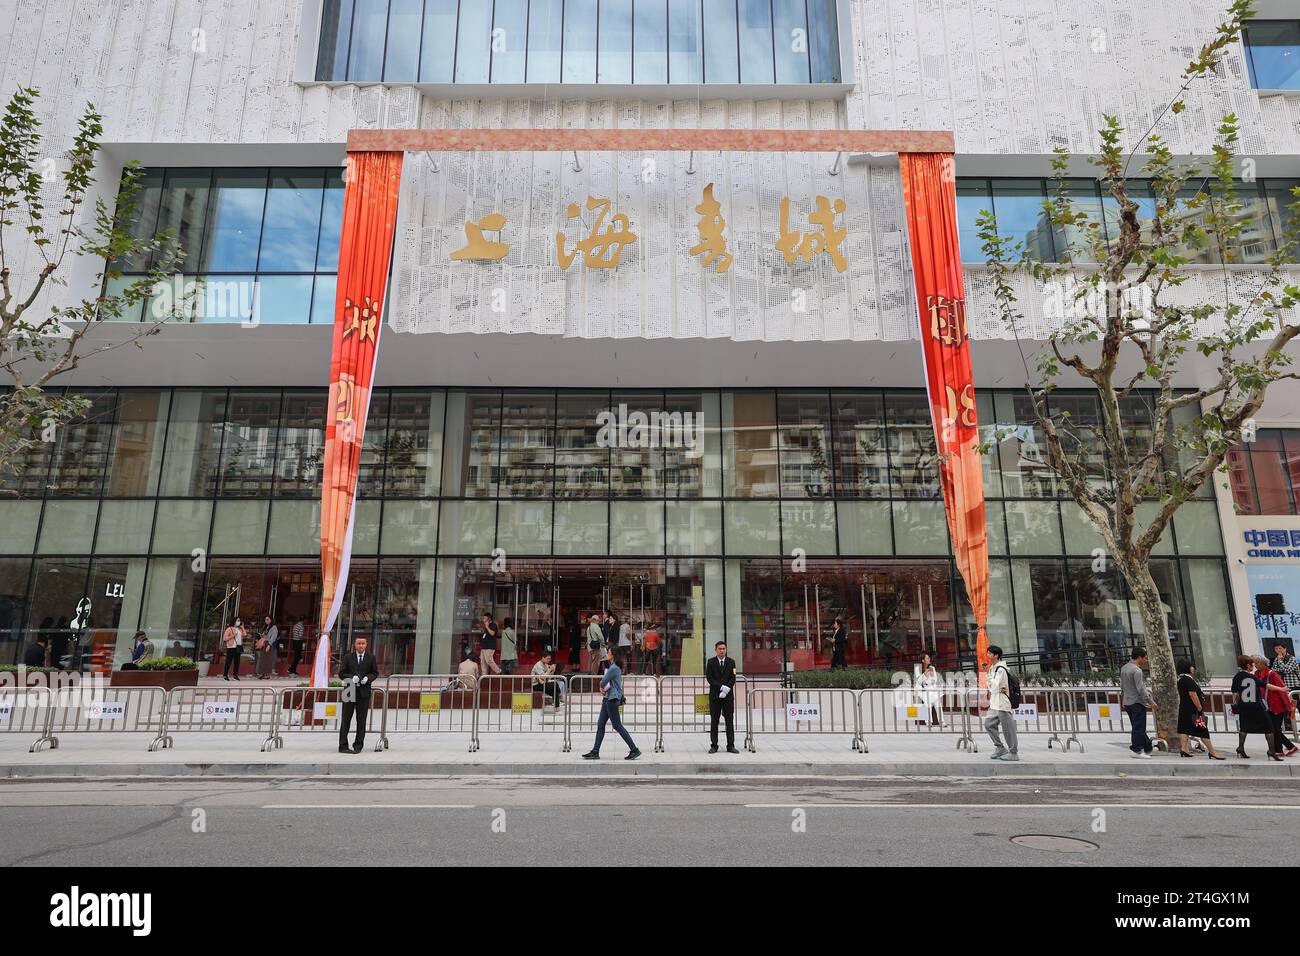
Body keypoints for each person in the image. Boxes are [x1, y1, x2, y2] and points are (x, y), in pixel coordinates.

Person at [581, 651, 641, 761]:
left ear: (613, 654)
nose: (607, 654)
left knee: (617, 725)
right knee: (601, 724)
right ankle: (595, 751)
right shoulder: (615, 667)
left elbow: (603, 681)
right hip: (608, 698)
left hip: (612, 699)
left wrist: (601, 687)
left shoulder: (613, 668)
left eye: (608, 652)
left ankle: (634, 749)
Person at [1231, 655, 1278, 760]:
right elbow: (1265, 685)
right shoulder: (1251, 677)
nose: (1253, 666)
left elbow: (1234, 691)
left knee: (1244, 727)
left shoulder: (1237, 676)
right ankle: (1271, 751)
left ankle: (1240, 748)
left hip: (1243, 706)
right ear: (1248, 666)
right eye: (1252, 665)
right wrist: (1281, 689)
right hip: (1255, 706)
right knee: (1269, 728)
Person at [337, 636, 379, 754]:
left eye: (363, 644)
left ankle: (358, 745)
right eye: (358, 644)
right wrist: (351, 678)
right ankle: (343, 745)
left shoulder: (371, 657)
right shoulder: (348, 657)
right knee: (346, 719)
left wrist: (368, 678)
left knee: (361, 720)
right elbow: (341, 673)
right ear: (355, 645)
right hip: (349, 689)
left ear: (366, 645)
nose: (360, 646)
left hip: (363, 692)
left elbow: (375, 672)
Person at [1176, 659, 1224, 760]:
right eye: (1192, 666)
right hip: (1192, 709)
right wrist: (1199, 707)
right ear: (1187, 667)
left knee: (1184, 729)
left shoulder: (1180, 679)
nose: (1193, 668)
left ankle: (1184, 749)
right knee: (1202, 730)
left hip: (1184, 708)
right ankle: (1212, 752)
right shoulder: (1188, 679)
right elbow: (1192, 694)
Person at [1256, 656, 1298, 757]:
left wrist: (1288, 706)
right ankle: (1282, 749)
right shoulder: (1257, 674)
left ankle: (1284, 748)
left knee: (1274, 728)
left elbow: (1282, 690)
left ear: (1263, 664)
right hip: (1266, 705)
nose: (1255, 665)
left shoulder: (1272, 674)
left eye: (1257, 663)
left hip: (1276, 705)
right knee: (1272, 728)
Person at [983, 644, 1018, 761]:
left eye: (990, 653)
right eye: (988, 653)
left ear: (996, 655)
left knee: (1008, 729)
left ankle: (1013, 753)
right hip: (994, 703)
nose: (988, 655)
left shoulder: (1001, 669)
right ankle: (1000, 748)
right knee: (988, 724)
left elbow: (994, 686)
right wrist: (987, 675)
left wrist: (990, 680)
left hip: (1002, 703)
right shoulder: (992, 668)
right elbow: (991, 686)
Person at [1120, 647, 1155, 758]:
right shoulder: (1137, 670)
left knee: (1137, 727)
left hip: (1128, 701)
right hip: (1137, 702)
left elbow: (1122, 686)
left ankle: (1148, 747)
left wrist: (1123, 699)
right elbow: (1141, 689)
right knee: (1139, 728)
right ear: (1139, 657)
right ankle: (1136, 750)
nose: (1145, 661)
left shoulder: (1124, 668)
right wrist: (1151, 702)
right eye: (1144, 658)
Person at [706, 640, 739, 753]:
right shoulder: (710, 662)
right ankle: (714, 745)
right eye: (719, 649)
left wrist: (727, 689)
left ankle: (730, 745)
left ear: (726, 650)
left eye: (723, 649)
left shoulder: (731, 662)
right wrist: (721, 687)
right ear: (716, 650)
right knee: (714, 721)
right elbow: (709, 678)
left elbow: (733, 677)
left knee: (729, 721)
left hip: (728, 697)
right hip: (715, 696)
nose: (722, 651)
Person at [1271, 640, 1300, 733]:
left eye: (1280, 648)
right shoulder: (1276, 659)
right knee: (1287, 706)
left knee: (1298, 706)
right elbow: (1274, 671)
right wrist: (1280, 665)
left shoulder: (1291, 658)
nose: (1278, 650)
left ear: (1285, 649)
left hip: (1294, 686)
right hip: (1283, 687)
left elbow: (1287, 670)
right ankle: (1289, 726)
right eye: (1276, 648)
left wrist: (1280, 662)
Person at [915, 651, 944, 727]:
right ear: (923, 660)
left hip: (932, 689)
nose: (929, 659)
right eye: (927, 658)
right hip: (923, 690)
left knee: (938, 704)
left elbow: (935, 680)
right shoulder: (918, 669)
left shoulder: (932, 668)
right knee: (927, 704)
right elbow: (919, 681)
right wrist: (925, 674)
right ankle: (928, 722)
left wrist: (932, 675)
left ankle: (942, 721)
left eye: (929, 658)